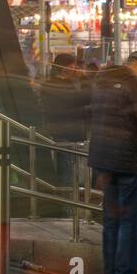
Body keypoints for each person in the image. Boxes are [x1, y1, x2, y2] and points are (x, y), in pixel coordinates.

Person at [87, 64, 137, 274]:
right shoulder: (136, 86)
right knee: (129, 221)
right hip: (128, 161)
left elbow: (89, 116)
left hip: (103, 159)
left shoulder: (100, 84)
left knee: (110, 221)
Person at [37, 52, 89, 185]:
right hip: (65, 132)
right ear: (65, 68)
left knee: (71, 170)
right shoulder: (58, 85)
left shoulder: (59, 83)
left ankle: (70, 199)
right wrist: (84, 78)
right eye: (74, 65)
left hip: (67, 131)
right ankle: (67, 202)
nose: (77, 68)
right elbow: (84, 98)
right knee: (67, 172)